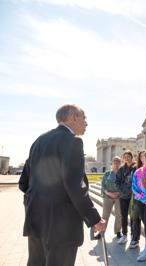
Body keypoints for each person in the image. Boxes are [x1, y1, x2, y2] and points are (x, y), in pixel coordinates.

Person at [19, 104, 106, 266]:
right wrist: (94, 218)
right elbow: (74, 185)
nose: (86, 123)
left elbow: (23, 182)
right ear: (73, 117)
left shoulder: (39, 140)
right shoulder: (73, 142)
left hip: (35, 218)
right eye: (84, 118)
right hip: (62, 224)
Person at [99, 156, 123, 240]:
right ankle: (101, 231)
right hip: (107, 196)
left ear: (120, 164)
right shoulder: (107, 174)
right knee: (105, 215)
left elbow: (124, 185)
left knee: (118, 215)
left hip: (118, 197)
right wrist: (108, 192)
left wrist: (118, 193)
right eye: (114, 162)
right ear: (111, 163)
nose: (116, 163)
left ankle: (118, 231)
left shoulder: (122, 174)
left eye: (118, 162)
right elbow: (103, 185)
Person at [116, 150, 136, 245]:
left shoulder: (135, 168)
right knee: (124, 216)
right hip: (123, 196)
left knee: (133, 216)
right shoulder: (121, 169)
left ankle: (133, 235)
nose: (127, 158)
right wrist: (121, 191)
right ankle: (124, 235)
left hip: (133, 196)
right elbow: (117, 182)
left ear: (132, 157)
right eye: (125, 156)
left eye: (129, 156)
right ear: (123, 158)